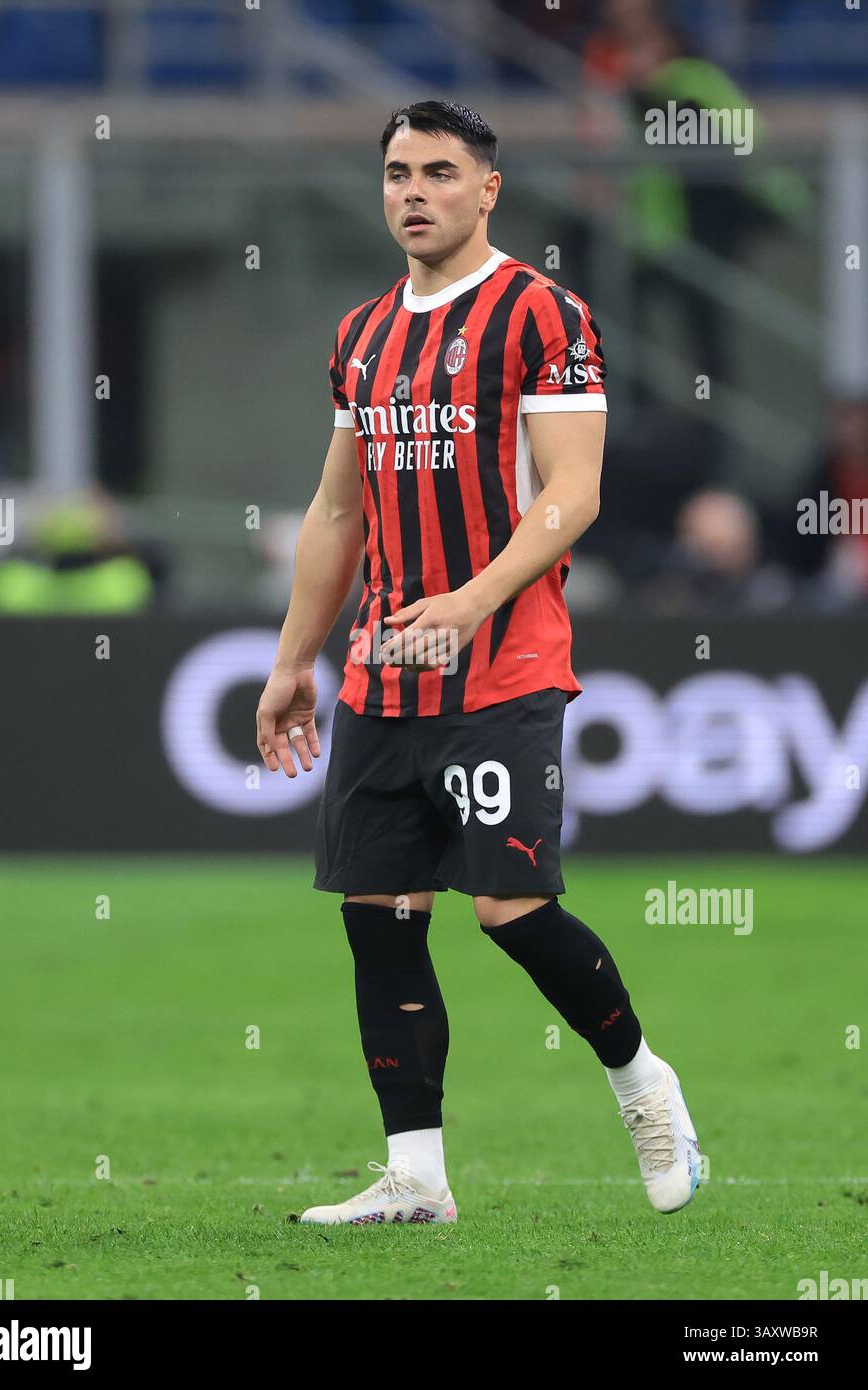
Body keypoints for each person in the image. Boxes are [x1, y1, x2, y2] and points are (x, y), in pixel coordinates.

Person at [255, 100, 701, 1225]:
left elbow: (573, 490)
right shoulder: (361, 334)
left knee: (509, 906)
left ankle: (643, 1083)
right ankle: (416, 1173)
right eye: (398, 171)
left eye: (440, 172)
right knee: (380, 912)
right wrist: (291, 660)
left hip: (503, 660)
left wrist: (474, 597)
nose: (414, 191)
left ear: (487, 189)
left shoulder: (542, 315)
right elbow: (335, 510)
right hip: (384, 670)